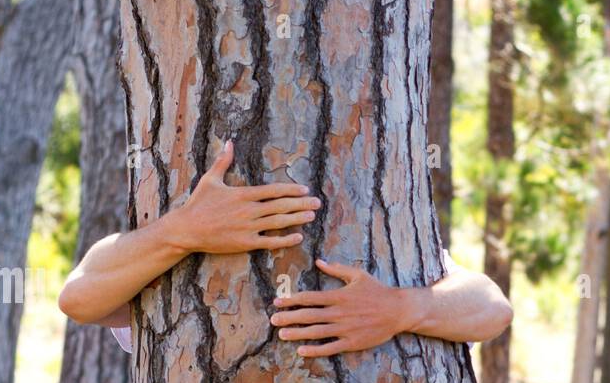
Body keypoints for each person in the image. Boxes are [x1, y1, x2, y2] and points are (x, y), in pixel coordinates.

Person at [59, 141, 512, 353]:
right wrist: (183, 230)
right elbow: (78, 297)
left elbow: (493, 307)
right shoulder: (167, 262)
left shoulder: (385, 245)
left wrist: (400, 309)